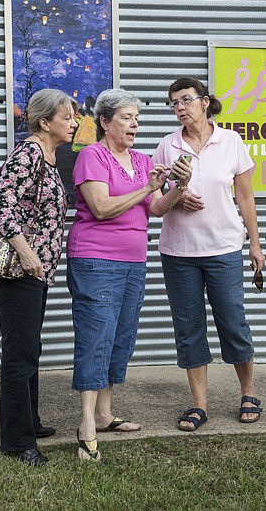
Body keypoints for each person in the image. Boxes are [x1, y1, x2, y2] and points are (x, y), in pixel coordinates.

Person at [67, 88, 191, 461]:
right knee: (96, 337)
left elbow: (156, 207)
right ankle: (86, 425)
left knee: (121, 338)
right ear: (105, 122)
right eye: (126, 117)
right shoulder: (92, 156)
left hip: (133, 262)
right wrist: (148, 187)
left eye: (137, 118)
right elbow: (101, 208)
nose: (135, 124)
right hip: (95, 260)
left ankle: (104, 415)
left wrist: (179, 187)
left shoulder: (141, 160)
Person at [152, 77, 266, 432]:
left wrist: (255, 243)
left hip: (224, 248)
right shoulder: (167, 146)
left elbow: (245, 196)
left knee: (232, 321)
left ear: (204, 102)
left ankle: (248, 392)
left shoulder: (230, 141)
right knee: (188, 328)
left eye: (186, 100)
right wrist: (176, 197)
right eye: (174, 103)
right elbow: (154, 199)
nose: (180, 108)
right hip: (179, 252)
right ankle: (199, 404)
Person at [0, 89, 78, 466]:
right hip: (19, 272)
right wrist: (26, 253)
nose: (73, 122)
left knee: (29, 349)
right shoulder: (28, 154)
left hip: (37, 272)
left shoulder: (49, 158)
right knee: (19, 353)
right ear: (44, 122)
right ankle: (17, 441)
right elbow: (0, 205)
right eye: (66, 117)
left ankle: (30, 421)